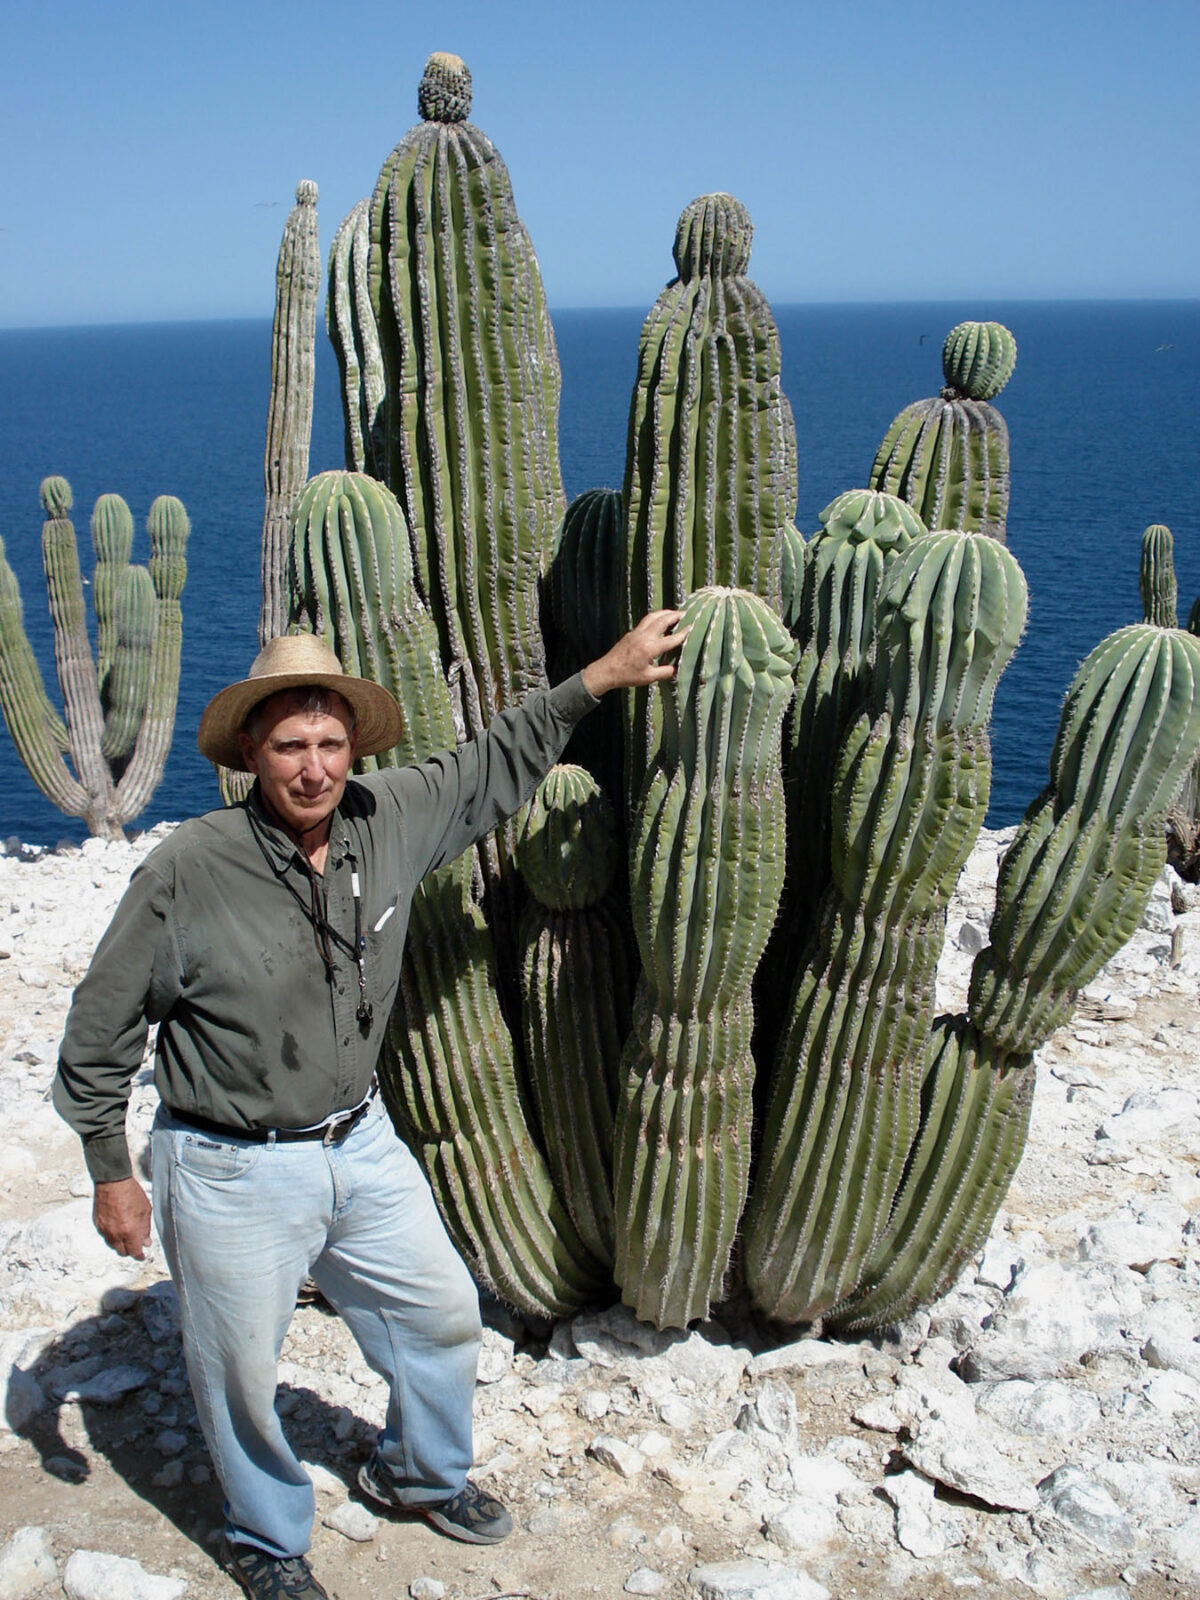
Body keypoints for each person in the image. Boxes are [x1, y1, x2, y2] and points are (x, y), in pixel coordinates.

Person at [53, 612, 685, 1600]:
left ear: (355, 745)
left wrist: (601, 674)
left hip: (362, 1137)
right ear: (251, 755)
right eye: (291, 746)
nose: (314, 768)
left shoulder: (387, 816)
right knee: (239, 1372)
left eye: (330, 743)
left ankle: (418, 1474)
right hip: (228, 1162)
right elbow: (101, 1026)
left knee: (438, 1312)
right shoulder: (189, 870)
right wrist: (109, 1169)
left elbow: (494, 766)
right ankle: (265, 1536)